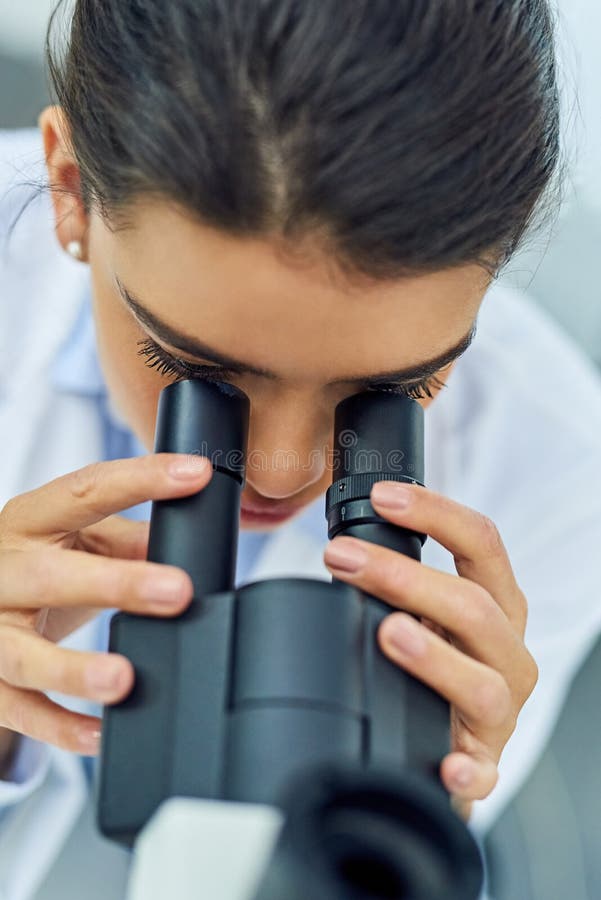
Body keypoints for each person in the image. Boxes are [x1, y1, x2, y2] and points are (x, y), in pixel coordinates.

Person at [0, 2, 600, 898]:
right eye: (185, 365)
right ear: (71, 188)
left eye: (389, 395)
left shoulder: (552, 461)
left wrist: (381, 846)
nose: (283, 472)